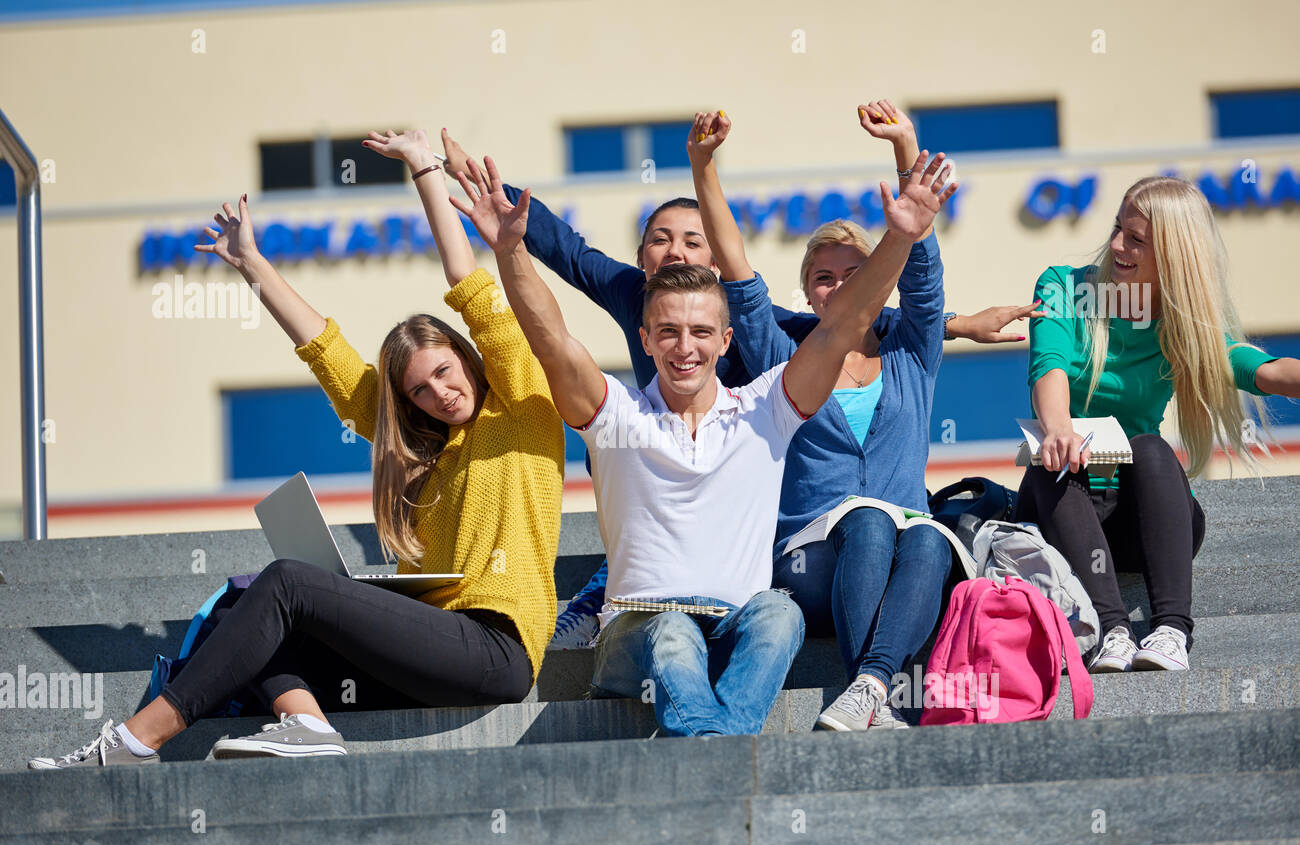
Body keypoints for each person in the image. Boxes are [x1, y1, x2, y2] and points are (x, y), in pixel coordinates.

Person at [28, 129, 565, 768]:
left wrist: (425, 170)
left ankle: (131, 742)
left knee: (285, 585)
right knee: (240, 605)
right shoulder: (427, 453)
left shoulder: (524, 410)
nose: (438, 395)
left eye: (445, 373)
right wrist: (253, 264)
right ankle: (306, 728)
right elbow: (333, 359)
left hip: (495, 647)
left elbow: (468, 285)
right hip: (434, 646)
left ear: (469, 359)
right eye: (419, 391)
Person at [437, 126, 1032, 647]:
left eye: (693, 241)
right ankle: (602, 596)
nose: (675, 251)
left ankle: (872, 684)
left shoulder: (776, 331)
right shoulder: (630, 293)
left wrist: (955, 324)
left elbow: (840, 323)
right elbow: (565, 248)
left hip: (738, 473)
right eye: (660, 239)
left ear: (718, 272)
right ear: (641, 258)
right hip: (663, 475)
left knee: (904, 533)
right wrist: (473, 183)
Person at [686, 103, 1031, 732]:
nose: (838, 287)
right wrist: (702, 166)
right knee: (870, 520)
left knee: (928, 533)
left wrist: (906, 149)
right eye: (822, 278)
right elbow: (735, 270)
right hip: (807, 561)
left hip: (903, 552)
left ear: (877, 278)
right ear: (808, 292)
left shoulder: (910, 350)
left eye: (854, 273)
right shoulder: (781, 354)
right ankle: (875, 687)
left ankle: (869, 687)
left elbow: (923, 277)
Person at [1015, 175, 1300, 674]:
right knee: (1047, 469)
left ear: (1172, 253)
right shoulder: (1062, 286)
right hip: (1071, 514)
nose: (1118, 245)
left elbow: (1263, 371)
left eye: (1137, 239)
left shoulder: (1178, 319)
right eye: (1118, 229)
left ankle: (1170, 630)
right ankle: (1113, 630)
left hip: (1142, 518)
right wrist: (1059, 427)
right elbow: (1049, 363)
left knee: (1149, 447)